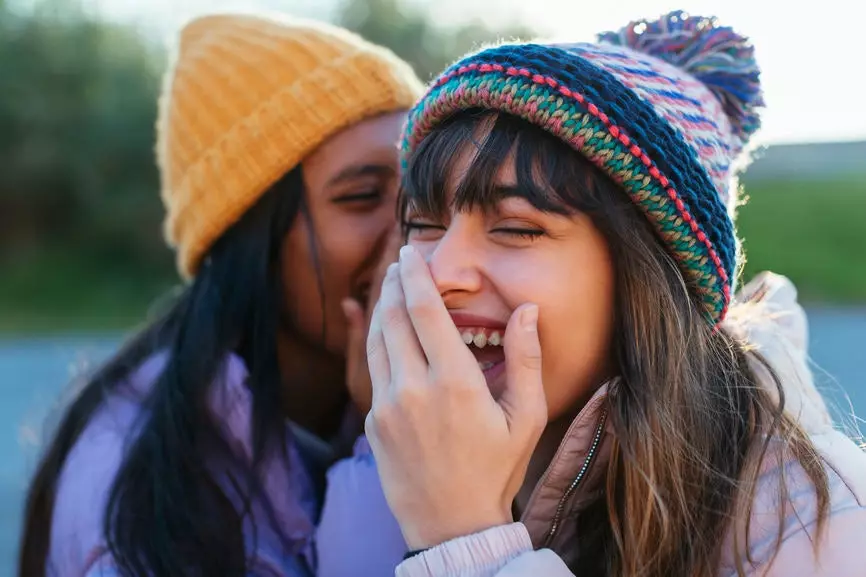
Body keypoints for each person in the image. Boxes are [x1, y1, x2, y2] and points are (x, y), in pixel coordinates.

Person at [360, 10, 866, 577]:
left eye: (518, 228)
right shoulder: (396, 456)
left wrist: (465, 542)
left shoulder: (817, 528)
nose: (440, 270)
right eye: (424, 225)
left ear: (650, 275)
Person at [17, 11, 423, 577]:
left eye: (422, 189)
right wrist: (387, 453)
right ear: (249, 237)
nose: (415, 229)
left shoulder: (387, 399)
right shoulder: (142, 501)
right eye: (362, 196)